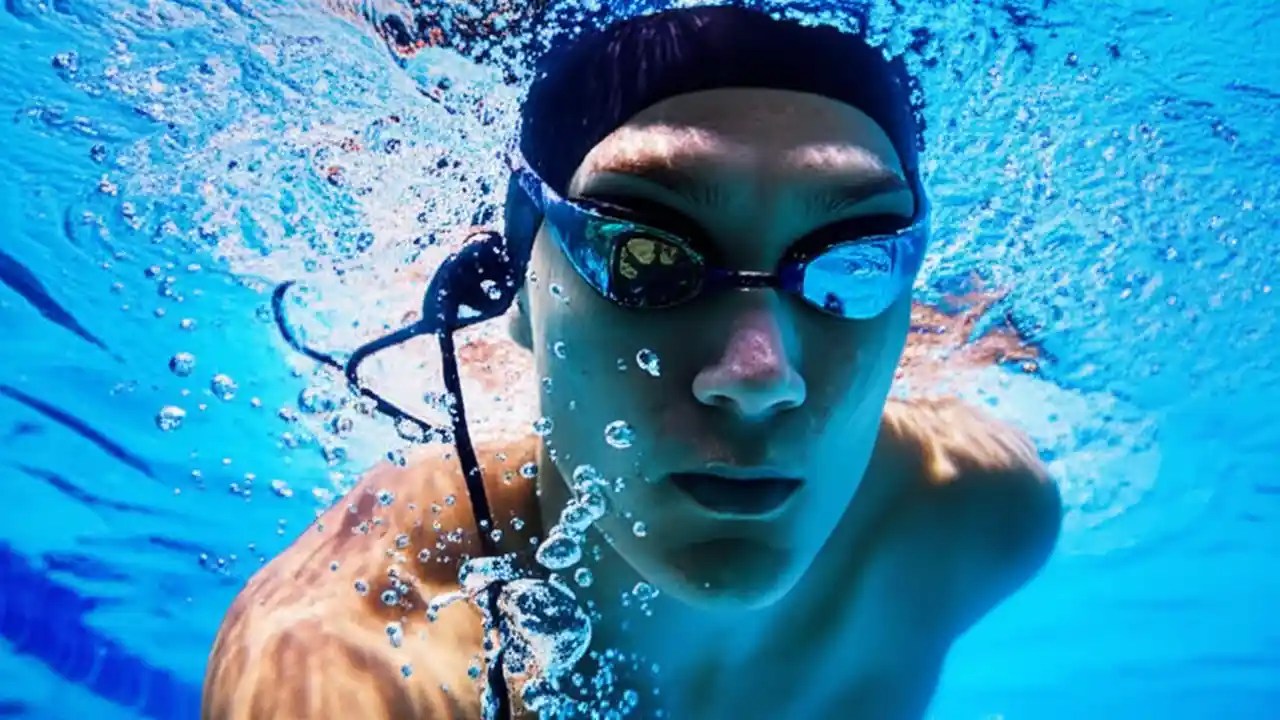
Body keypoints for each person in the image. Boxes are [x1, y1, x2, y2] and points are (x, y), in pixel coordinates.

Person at [202, 5, 1062, 719]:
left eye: (855, 259)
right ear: (516, 293)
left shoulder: (973, 517)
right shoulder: (351, 656)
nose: (760, 375)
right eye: (643, 255)